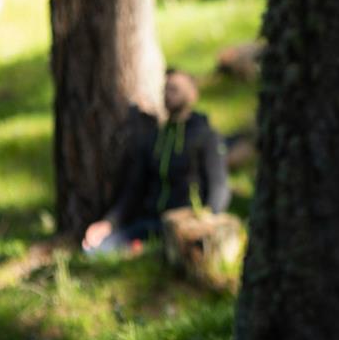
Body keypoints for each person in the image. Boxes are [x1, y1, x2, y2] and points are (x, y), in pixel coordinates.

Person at [82, 69, 231, 253]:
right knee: (93, 250)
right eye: (165, 89)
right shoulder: (154, 138)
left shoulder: (207, 137)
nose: (167, 95)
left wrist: (206, 223)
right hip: (149, 223)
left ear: (193, 95)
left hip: (184, 228)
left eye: (174, 89)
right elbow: (134, 189)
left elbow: (219, 187)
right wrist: (108, 223)